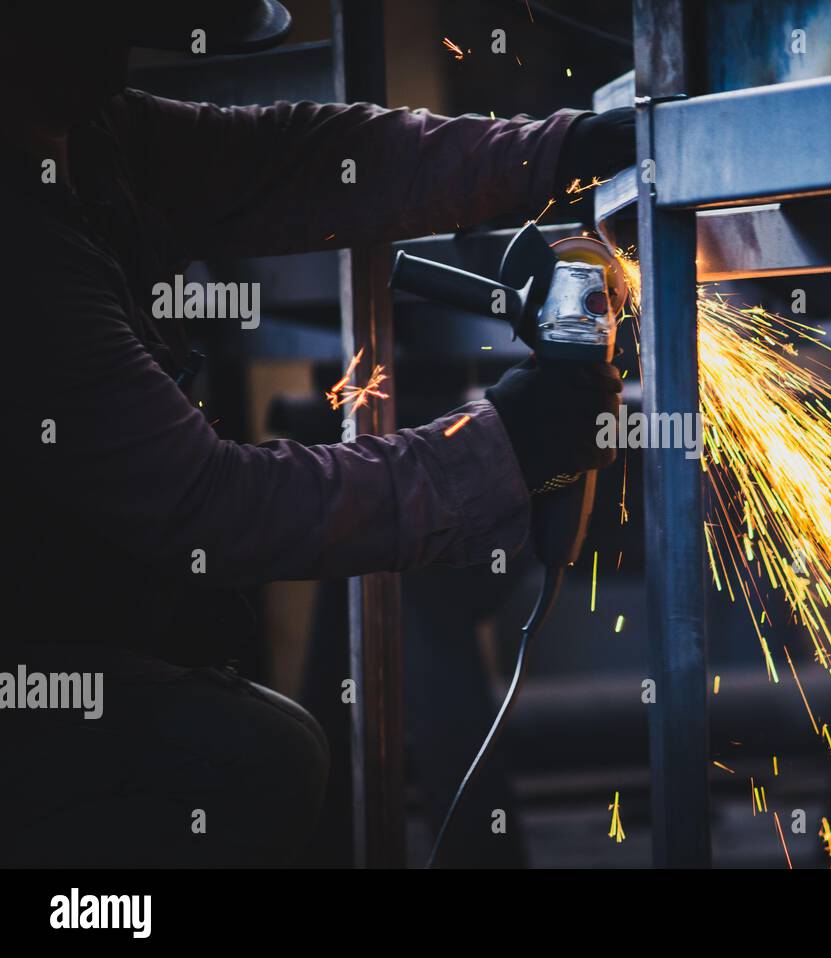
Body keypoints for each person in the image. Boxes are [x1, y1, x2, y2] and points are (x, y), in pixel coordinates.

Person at [0, 0, 634, 866]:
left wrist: (559, 153)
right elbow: (214, 507)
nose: (117, 56)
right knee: (253, 759)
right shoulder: (22, 237)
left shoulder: (93, 137)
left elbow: (317, 160)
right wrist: (498, 447)